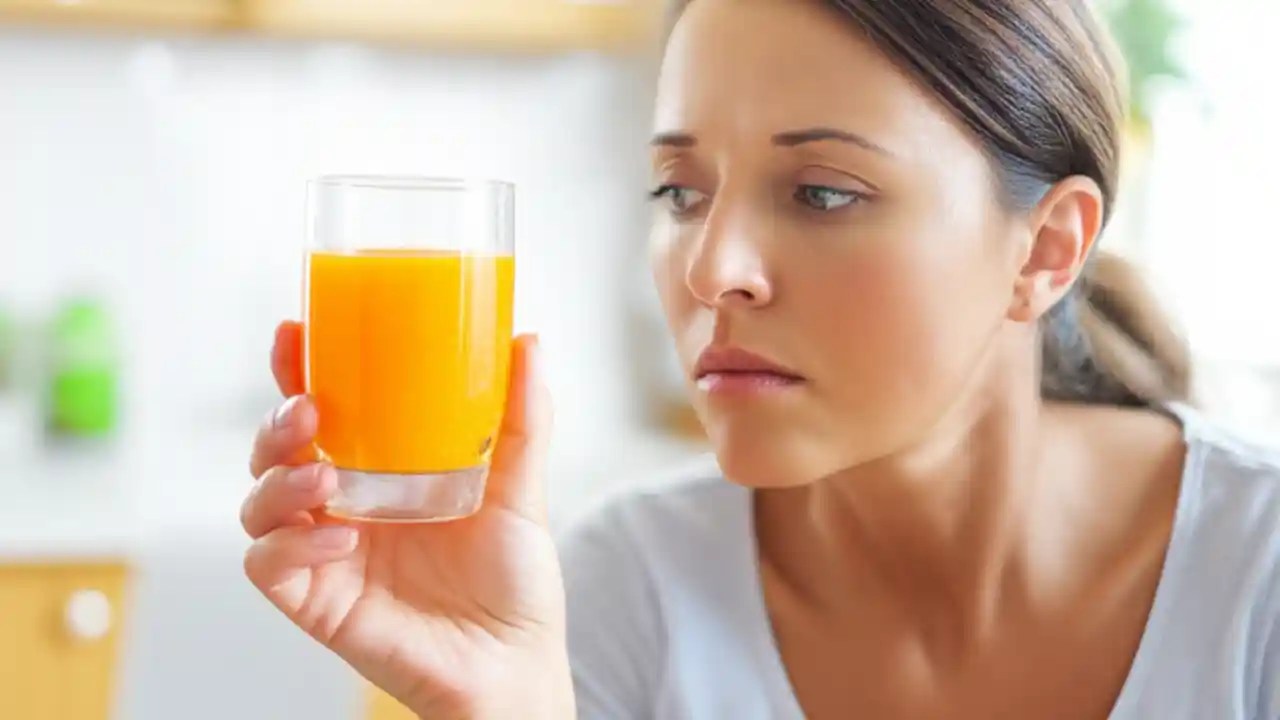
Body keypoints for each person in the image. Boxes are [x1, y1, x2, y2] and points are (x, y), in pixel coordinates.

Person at [241, 1, 1280, 717]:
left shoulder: (1256, 583)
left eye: (822, 192)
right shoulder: (620, 590)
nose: (710, 269)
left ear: (1044, 248)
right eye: (681, 192)